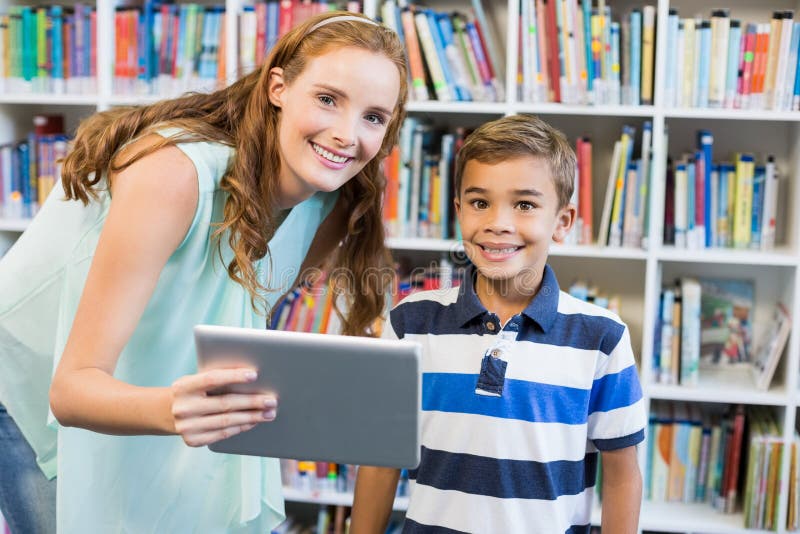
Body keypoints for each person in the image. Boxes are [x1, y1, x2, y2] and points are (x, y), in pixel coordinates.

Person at [0, 11, 407, 533]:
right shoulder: (173, 174)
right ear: (278, 88)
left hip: (145, 377)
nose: (347, 135)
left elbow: (228, 315)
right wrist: (177, 408)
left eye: (373, 117)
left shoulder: (330, 203)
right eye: (327, 99)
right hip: (31, 379)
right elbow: (70, 391)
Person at [351, 115, 646, 533]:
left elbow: (622, 474)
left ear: (562, 222)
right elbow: (381, 461)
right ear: (459, 212)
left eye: (524, 205)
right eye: (479, 203)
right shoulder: (409, 322)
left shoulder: (602, 337)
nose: (497, 223)